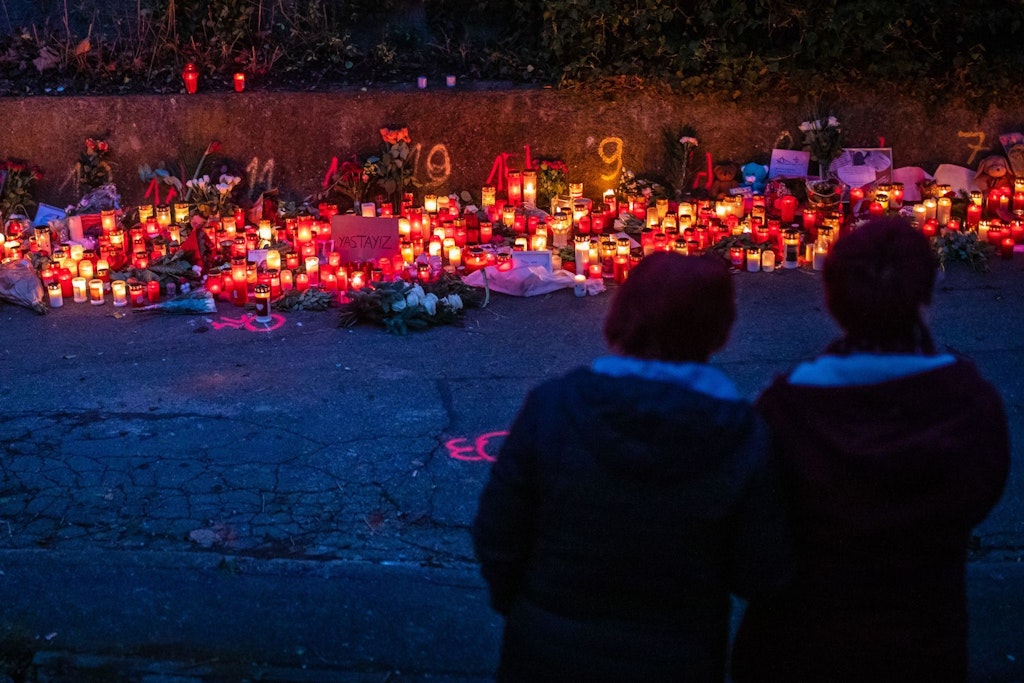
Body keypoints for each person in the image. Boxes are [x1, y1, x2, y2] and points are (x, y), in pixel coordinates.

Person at [472, 252, 793, 682]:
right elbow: (761, 569)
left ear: (622, 314)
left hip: (548, 651)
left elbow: (499, 528)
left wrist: (524, 607)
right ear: (720, 330)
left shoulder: (554, 406)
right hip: (678, 658)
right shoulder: (740, 435)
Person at [731, 217, 1010, 683]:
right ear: (926, 296)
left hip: (800, 644)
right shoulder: (969, 405)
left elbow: (756, 531)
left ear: (832, 300)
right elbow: (980, 495)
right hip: (920, 644)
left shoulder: (785, 410)